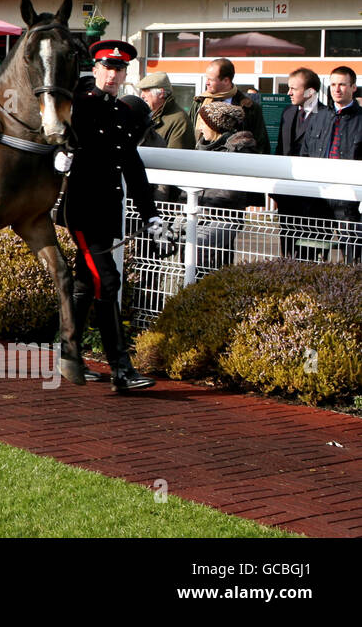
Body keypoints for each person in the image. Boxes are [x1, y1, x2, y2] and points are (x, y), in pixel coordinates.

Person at [56, 39, 170, 391]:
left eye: (119, 69)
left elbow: (132, 166)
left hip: (109, 210)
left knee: (86, 283)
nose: (113, 74)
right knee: (107, 281)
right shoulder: (78, 106)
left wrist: (151, 215)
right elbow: (49, 137)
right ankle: (121, 370)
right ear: (95, 69)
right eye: (108, 67)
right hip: (83, 211)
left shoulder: (122, 112)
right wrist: (56, 159)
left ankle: (69, 355)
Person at [299, 66, 362, 262]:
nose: (337, 89)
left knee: (353, 257)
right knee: (308, 256)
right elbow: (306, 153)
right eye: (333, 84)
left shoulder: (361, 120)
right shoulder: (319, 118)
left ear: (353, 87)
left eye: (342, 84)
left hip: (349, 201)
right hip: (318, 198)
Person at [192, 102, 260, 271]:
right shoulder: (203, 147)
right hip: (199, 212)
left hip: (222, 217)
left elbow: (230, 193)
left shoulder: (238, 150)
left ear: (215, 125)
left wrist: (202, 206)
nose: (199, 128)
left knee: (199, 252)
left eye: (202, 122)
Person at [272, 68, 323, 257]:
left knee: (307, 254)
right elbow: (280, 150)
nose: (289, 93)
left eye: (294, 88)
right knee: (287, 250)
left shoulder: (326, 115)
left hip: (312, 199)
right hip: (287, 195)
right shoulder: (287, 112)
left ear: (310, 92)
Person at [188, 57, 270, 153]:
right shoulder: (199, 103)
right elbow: (188, 137)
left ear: (226, 80)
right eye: (206, 78)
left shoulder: (250, 108)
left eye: (211, 79)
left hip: (235, 163)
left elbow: (261, 144)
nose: (206, 82)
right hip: (200, 159)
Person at [136, 72, 193, 151]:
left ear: (161, 93)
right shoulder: (149, 114)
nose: (142, 95)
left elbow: (175, 158)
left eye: (146, 90)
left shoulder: (179, 120)